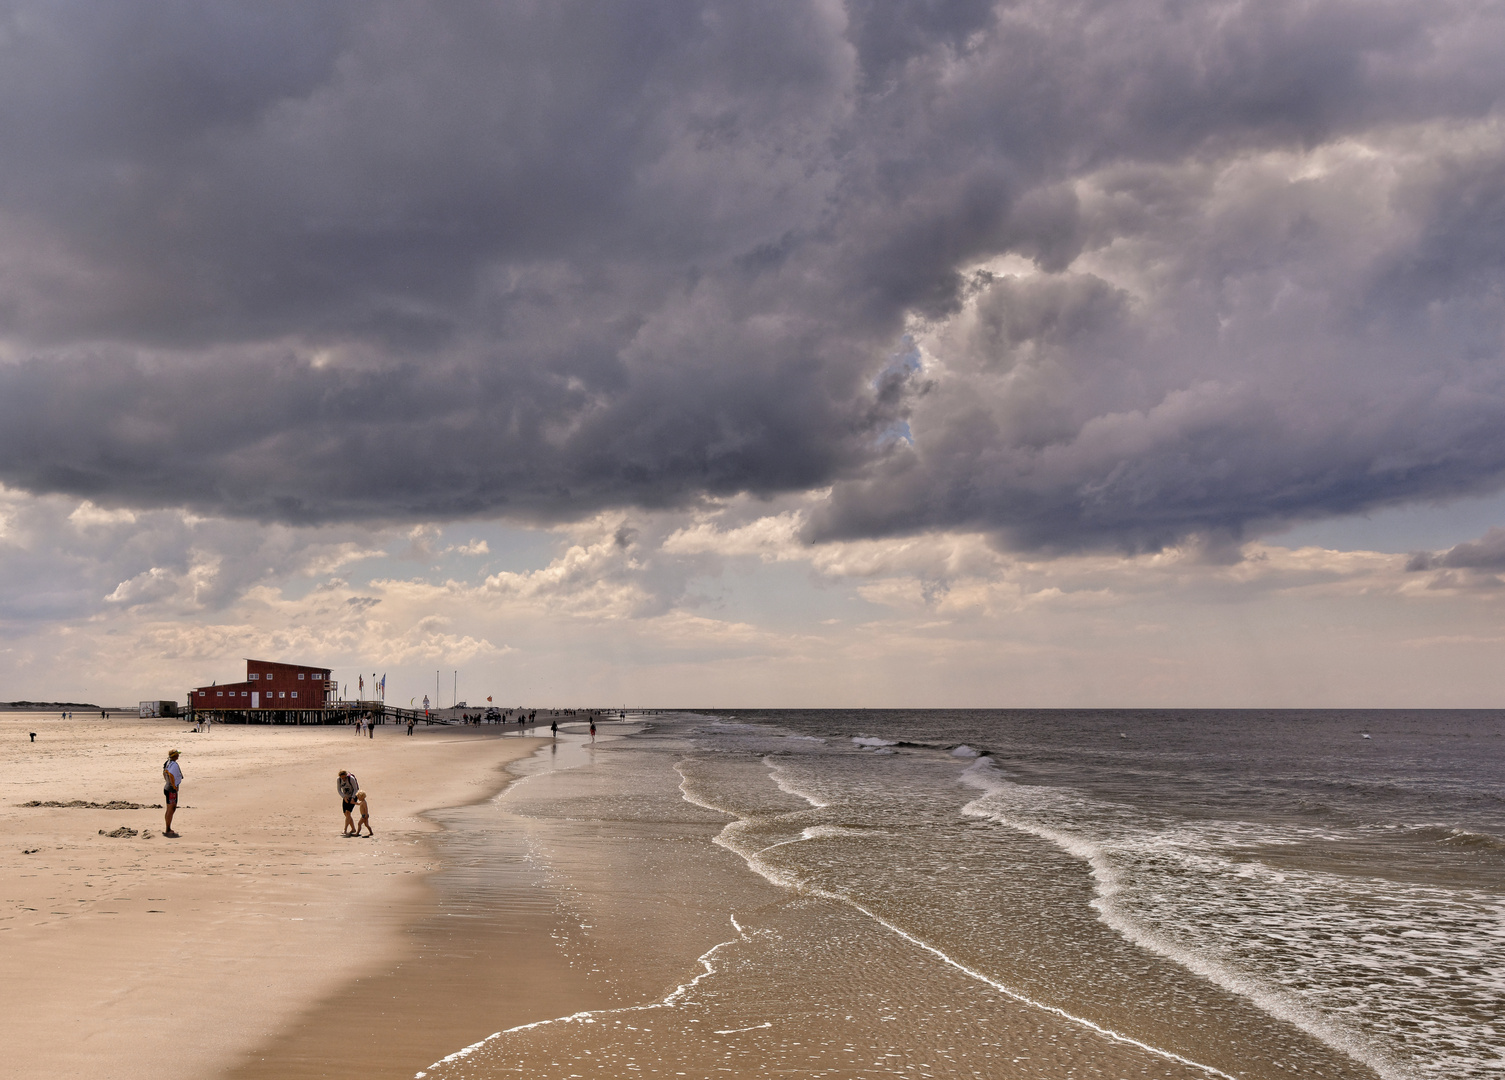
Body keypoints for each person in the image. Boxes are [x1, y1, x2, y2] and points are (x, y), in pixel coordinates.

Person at [163, 749, 183, 837]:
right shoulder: (173, 764)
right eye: (177, 755)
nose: (178, 756)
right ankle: (168, 829)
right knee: (171, 809)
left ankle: (168, 827)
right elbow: (171, 775)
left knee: (170, 809)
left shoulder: (167, 763)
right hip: (171, 789)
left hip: (167, 787)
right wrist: (174, 786)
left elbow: (164, 773)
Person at [337, 769, 359, 836]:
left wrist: (352, 798)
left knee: (348, 812)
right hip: (345, 796)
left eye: (344, 777)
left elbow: (356, 789)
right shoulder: (339, 780)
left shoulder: (351, 779)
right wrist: (344, 797)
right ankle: (353, 829)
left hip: (353, 796)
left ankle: (345, 829)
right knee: (346, 814)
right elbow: (339, 790)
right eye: (342, 778)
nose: (343, 779)